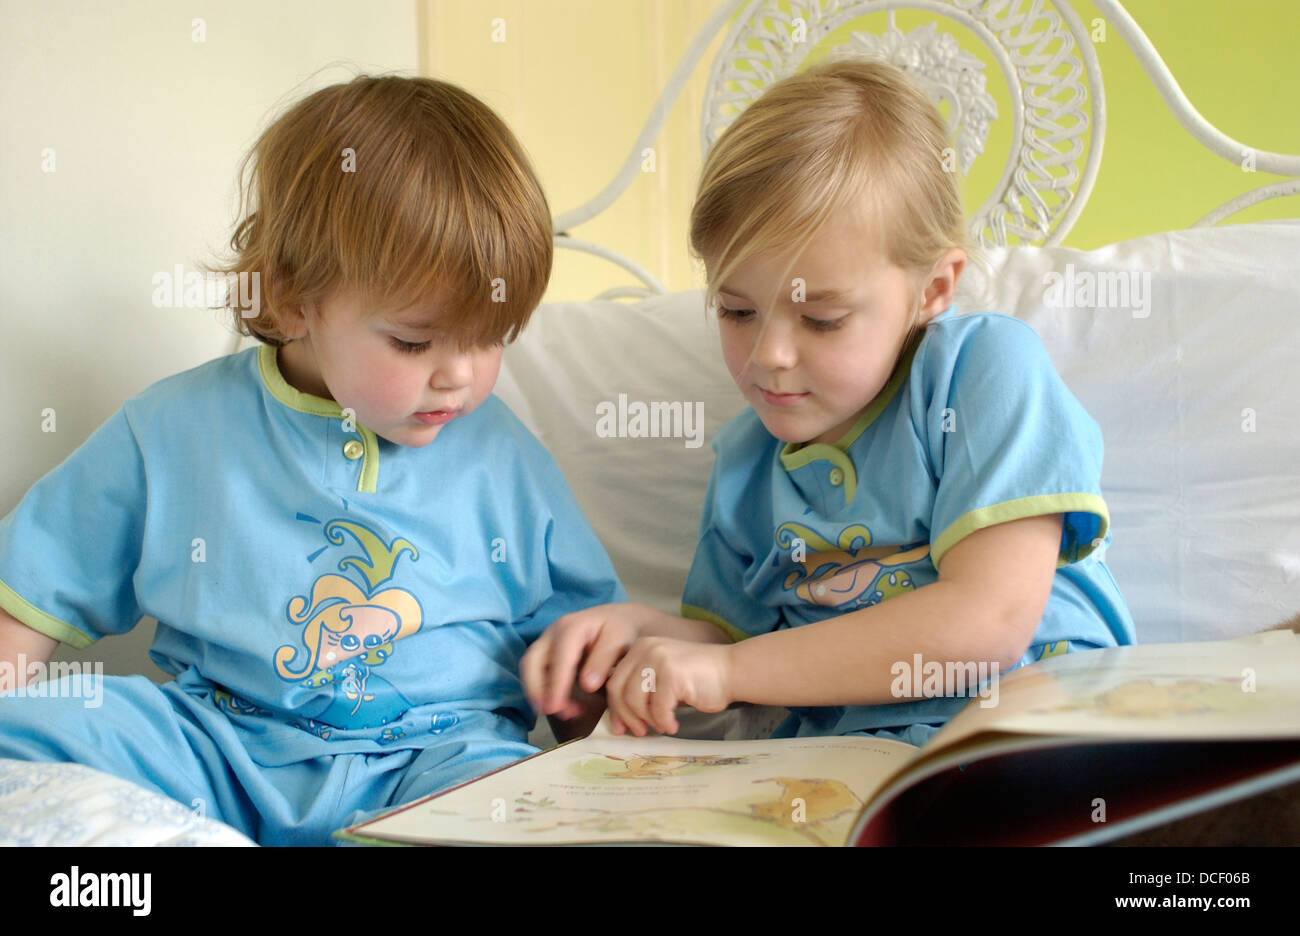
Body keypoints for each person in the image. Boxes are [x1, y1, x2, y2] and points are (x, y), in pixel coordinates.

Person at [0, 74, 624, 845]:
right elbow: (37, 578)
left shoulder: (506, 459)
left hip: (434, 761)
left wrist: (581, 690)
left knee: (527, 801)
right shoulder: (174, 426)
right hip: (214, 747)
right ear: (295, 297)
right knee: (42, 723)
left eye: (490, 338)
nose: (460, 375)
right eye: (415, 340)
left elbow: (589, 649)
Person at [523, 59, 1134, 747]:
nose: (769, 355)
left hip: (1032, 735)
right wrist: (639, 637)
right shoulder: (748, 462)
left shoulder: (981, 371)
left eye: (821, 319)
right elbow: (735, 647)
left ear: (934, 289)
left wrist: (727, 670)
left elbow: (987, 620)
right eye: (736, 310)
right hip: (839, 775)